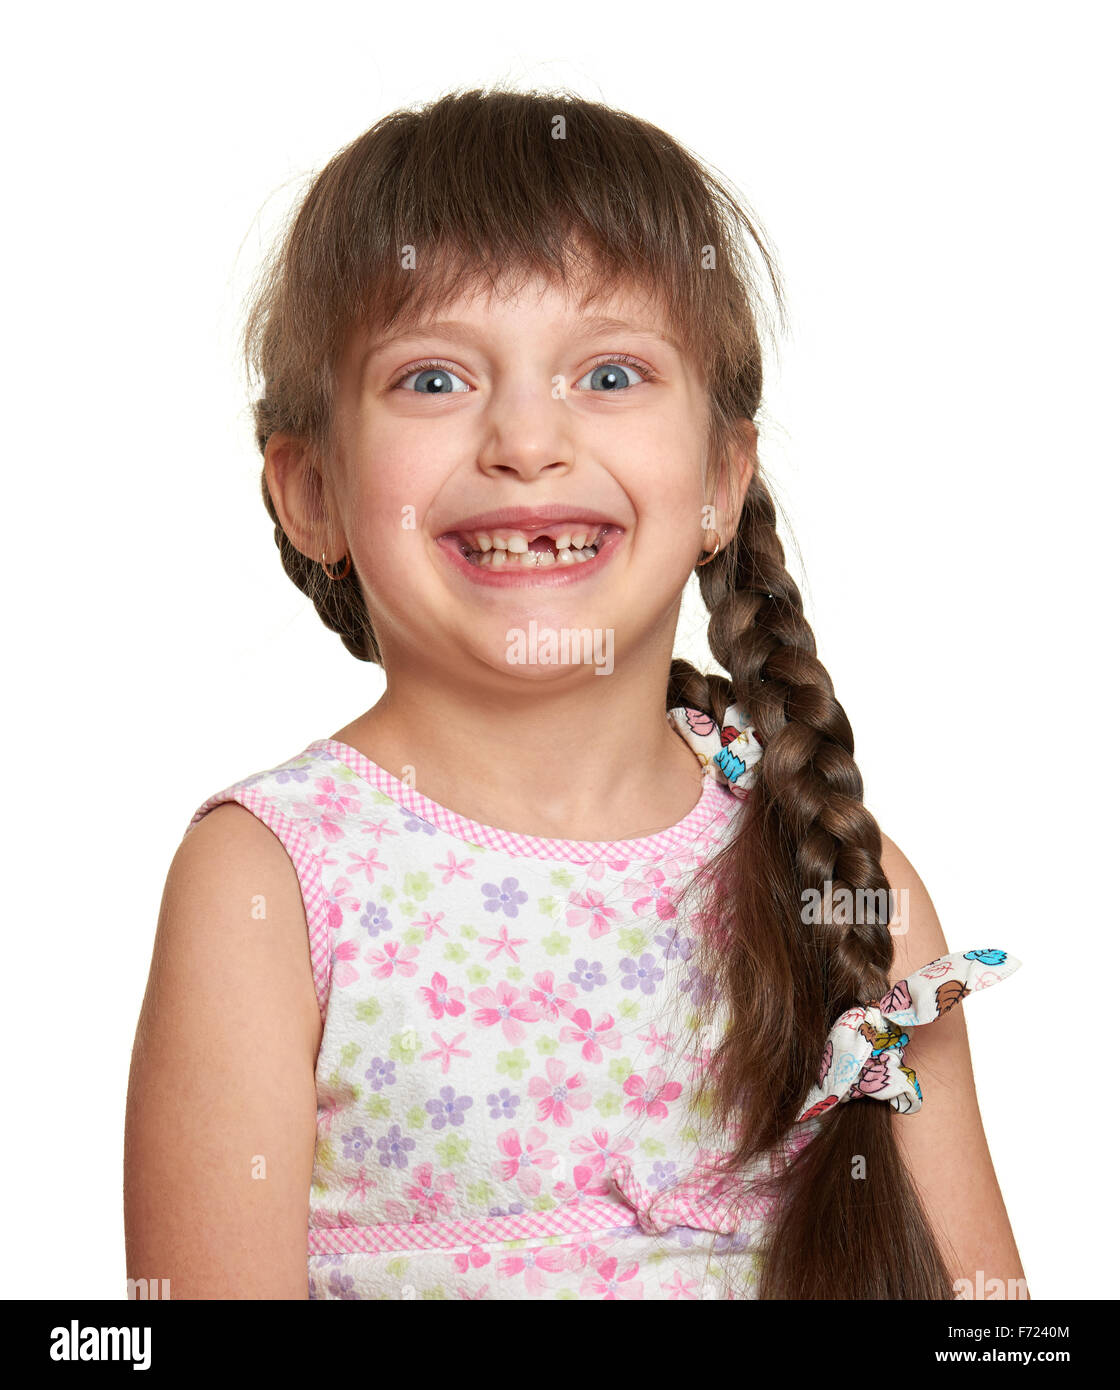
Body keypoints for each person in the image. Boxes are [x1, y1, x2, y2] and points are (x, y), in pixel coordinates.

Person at [123, 86, 1028, 1301]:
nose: (527, 439)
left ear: (720, 475)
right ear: (313, 493)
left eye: (609, 372)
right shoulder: (272, 882)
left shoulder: (841, 877)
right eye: (434, 380)